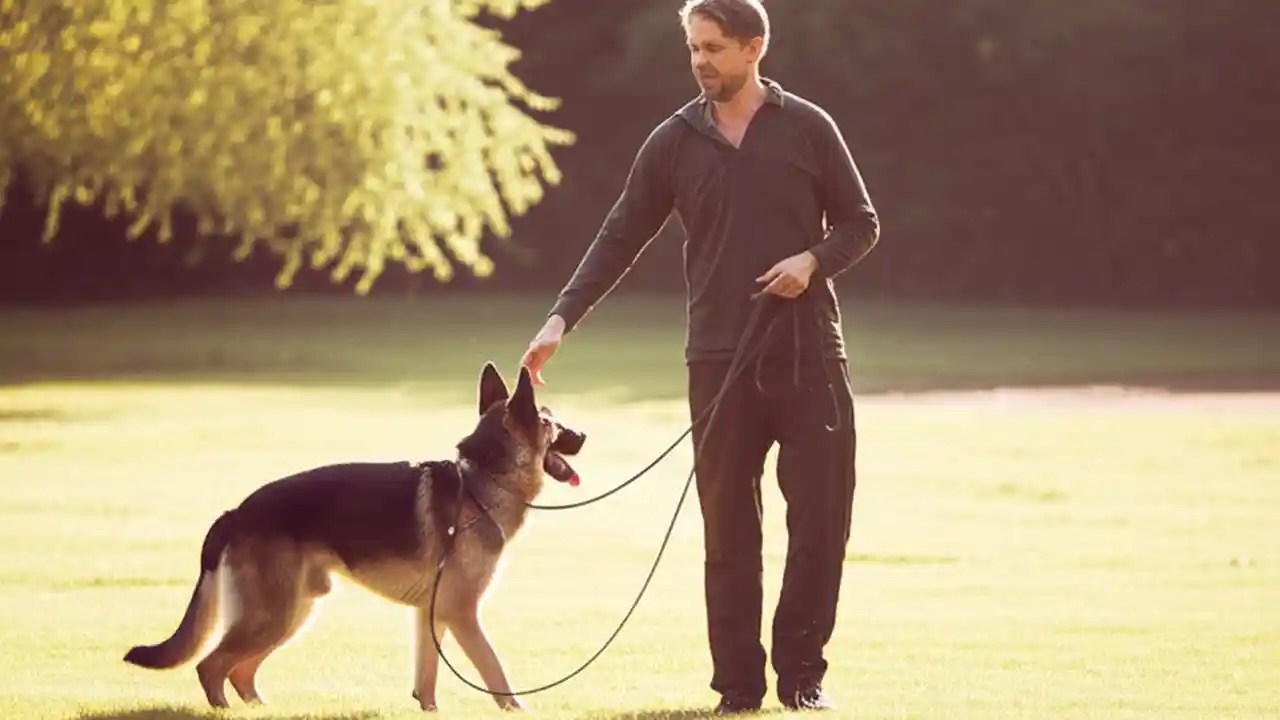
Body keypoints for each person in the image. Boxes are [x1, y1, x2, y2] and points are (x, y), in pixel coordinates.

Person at [519, 0, 880, 713]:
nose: (700, 61)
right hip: (718, 361)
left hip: (811, 357)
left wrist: (812, 259)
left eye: (713, 47)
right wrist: (563, 316)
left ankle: (802, 678)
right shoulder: (674, 141)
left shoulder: (808, 127)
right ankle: (738, 689)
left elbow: (862, 224)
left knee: (820, 524)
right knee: (729, 535)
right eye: (692, 47)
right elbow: (620, 234)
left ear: (754, 48)